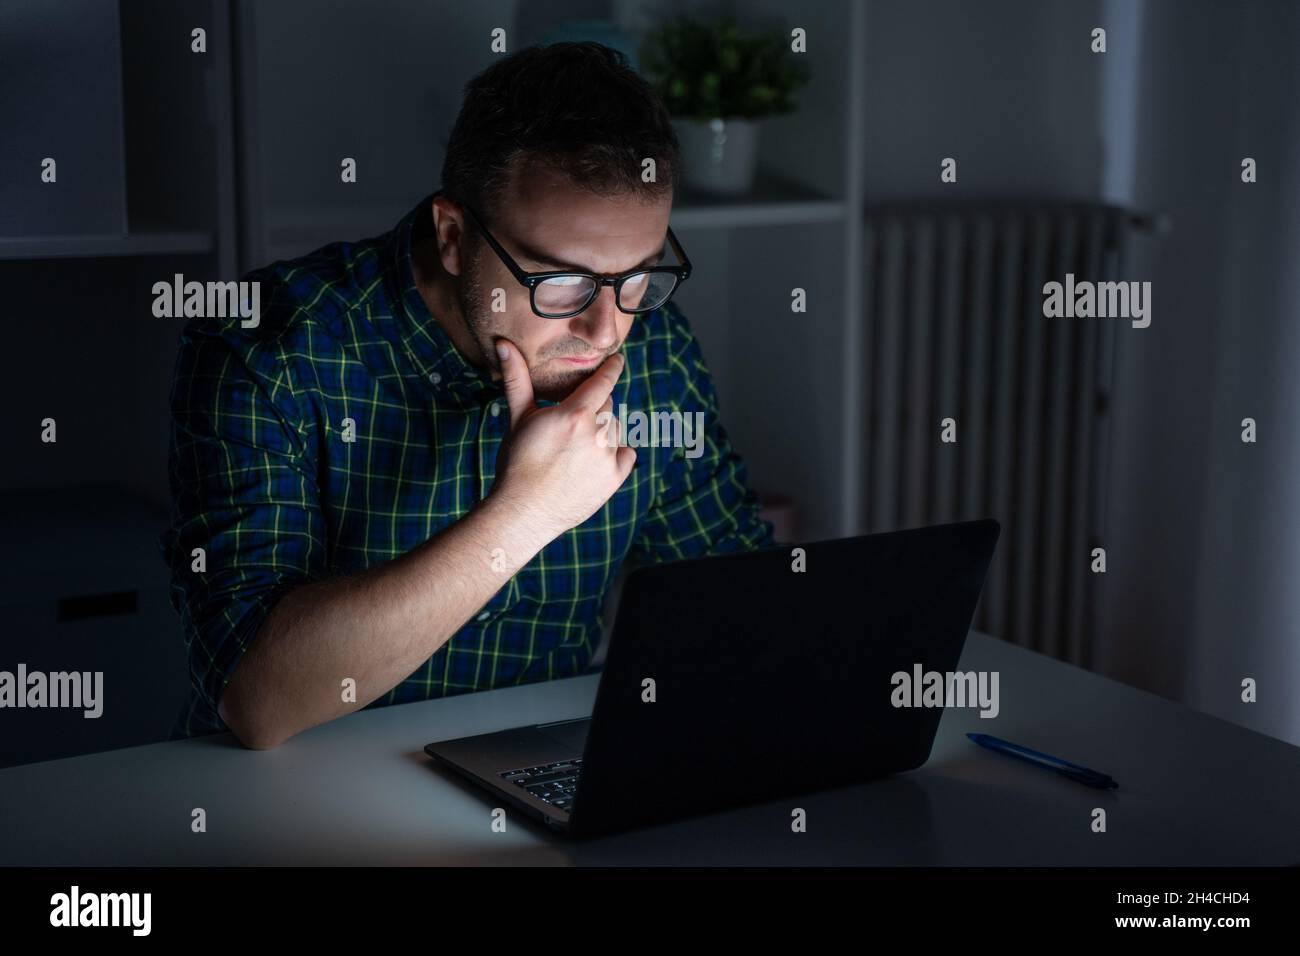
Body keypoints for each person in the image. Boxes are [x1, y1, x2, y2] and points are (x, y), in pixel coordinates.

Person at [161, 42, 773, 749]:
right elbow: (257, 698)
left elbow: (734, 601)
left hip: (544, 781)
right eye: (561, 282)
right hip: (295, 800)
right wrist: (526, 515)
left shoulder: (654, 348)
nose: (607, 329)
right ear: (453, 237)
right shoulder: (264, 347)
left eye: (638, 277)